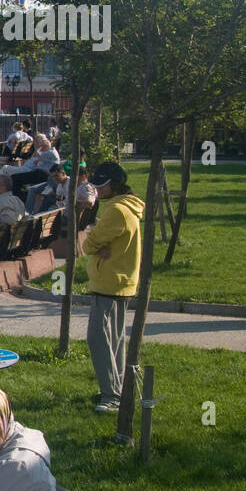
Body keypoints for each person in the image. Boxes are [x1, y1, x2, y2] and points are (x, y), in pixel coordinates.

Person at [82, 162, 144, 413]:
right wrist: (99, 242)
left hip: (109, 282)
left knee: (98, 339)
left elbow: (88, 245)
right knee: (114, 340)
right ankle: (115, 389)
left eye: (102, 185)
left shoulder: (117, 210)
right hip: (119, 281)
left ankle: (112, 396)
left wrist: (95, 240)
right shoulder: (128, 206)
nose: (97, 189)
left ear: (115, 185)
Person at [0, 135, 61, 200]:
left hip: (42, 175)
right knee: (12, 176)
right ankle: (7, 191)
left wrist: (39, 147)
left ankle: (18, 197)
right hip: (38, 173)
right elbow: (39, 160)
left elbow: (37, 154)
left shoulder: (50, 152)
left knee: (12, 176)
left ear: (45, 146)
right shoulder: (48, 153)